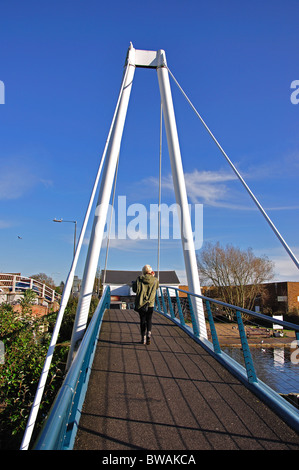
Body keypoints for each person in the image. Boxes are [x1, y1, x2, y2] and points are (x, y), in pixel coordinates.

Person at [132, 265, 159, 345]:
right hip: (150, 304)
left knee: (142, 320)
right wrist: (153, 276)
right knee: (149, 319)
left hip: (141, 303)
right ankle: (149, 335)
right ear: (151, 271)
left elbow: (134, 290)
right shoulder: (155, 280)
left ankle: (143, 338)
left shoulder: (139, 279)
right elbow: (156, 287)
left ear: (143, 271)